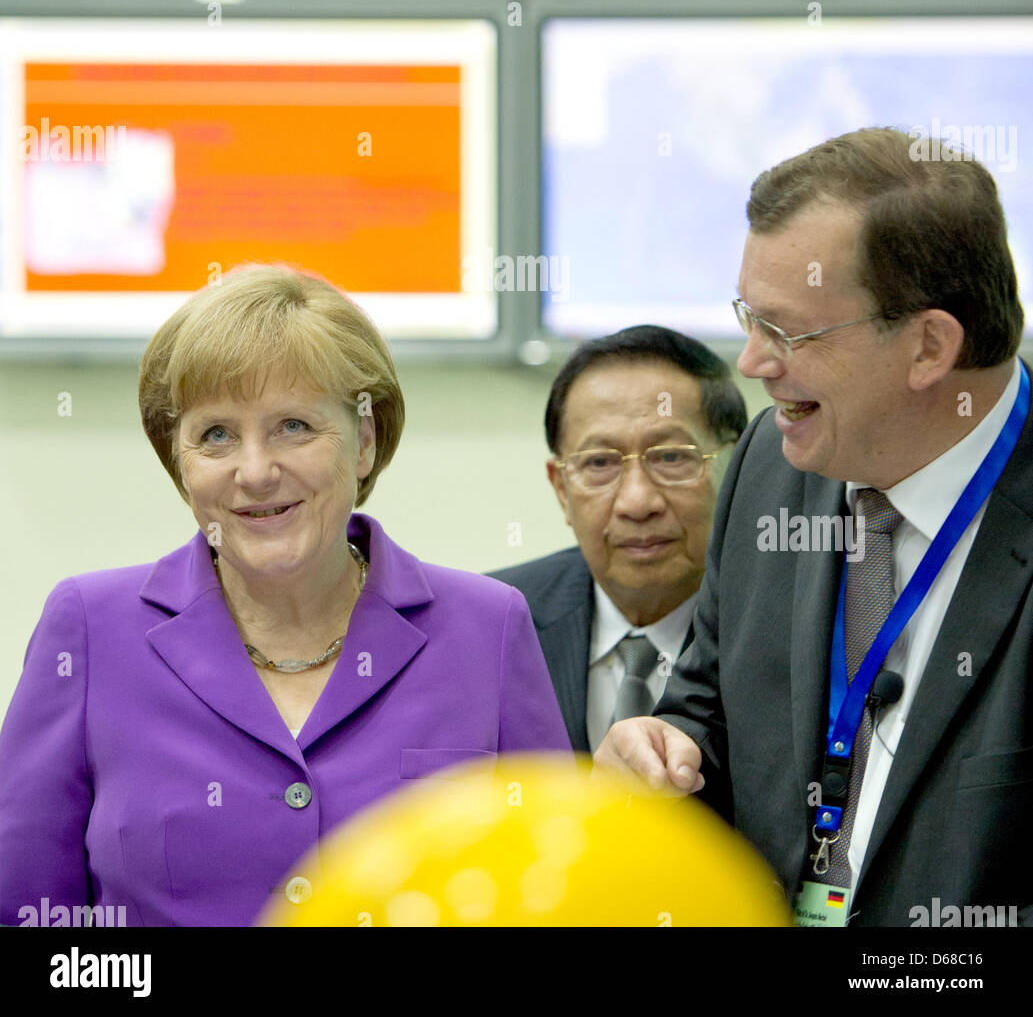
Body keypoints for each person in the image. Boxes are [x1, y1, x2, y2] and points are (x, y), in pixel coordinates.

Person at [0, 264, 570, 928]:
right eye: (215, 435)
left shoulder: (486, 629)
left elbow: (552, 898)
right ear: (179, 463)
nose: (255, 471)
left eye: (293, 426)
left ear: (363, 441)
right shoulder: (92, 630)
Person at [595, 127, 1032, 928]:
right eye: (748, 319)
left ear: (928, 346)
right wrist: (662, 748)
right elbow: (712, 705)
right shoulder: (773, 462)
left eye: (788, 333)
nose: (752, 364)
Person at [492, 326, 746, 752]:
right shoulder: (491, 626)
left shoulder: (787, 629)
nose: (637, 501)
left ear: (737, 469)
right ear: (561, 489)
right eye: (600, 463)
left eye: (671, 457)